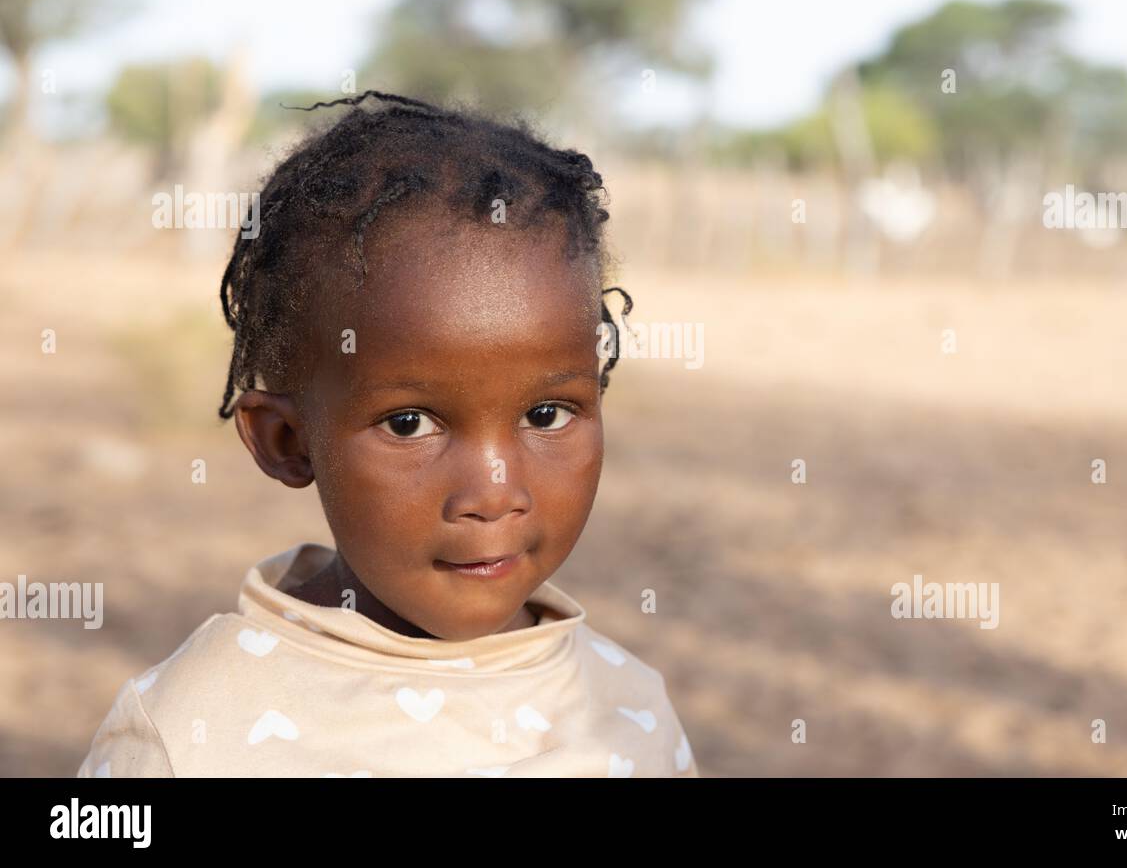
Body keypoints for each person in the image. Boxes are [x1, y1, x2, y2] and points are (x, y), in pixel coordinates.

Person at [76, 91, 699, 777]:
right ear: (286, 439)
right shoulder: (190, 733)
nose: (494, 493)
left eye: (546, 413)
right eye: (410, 423)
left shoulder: (631, 711)